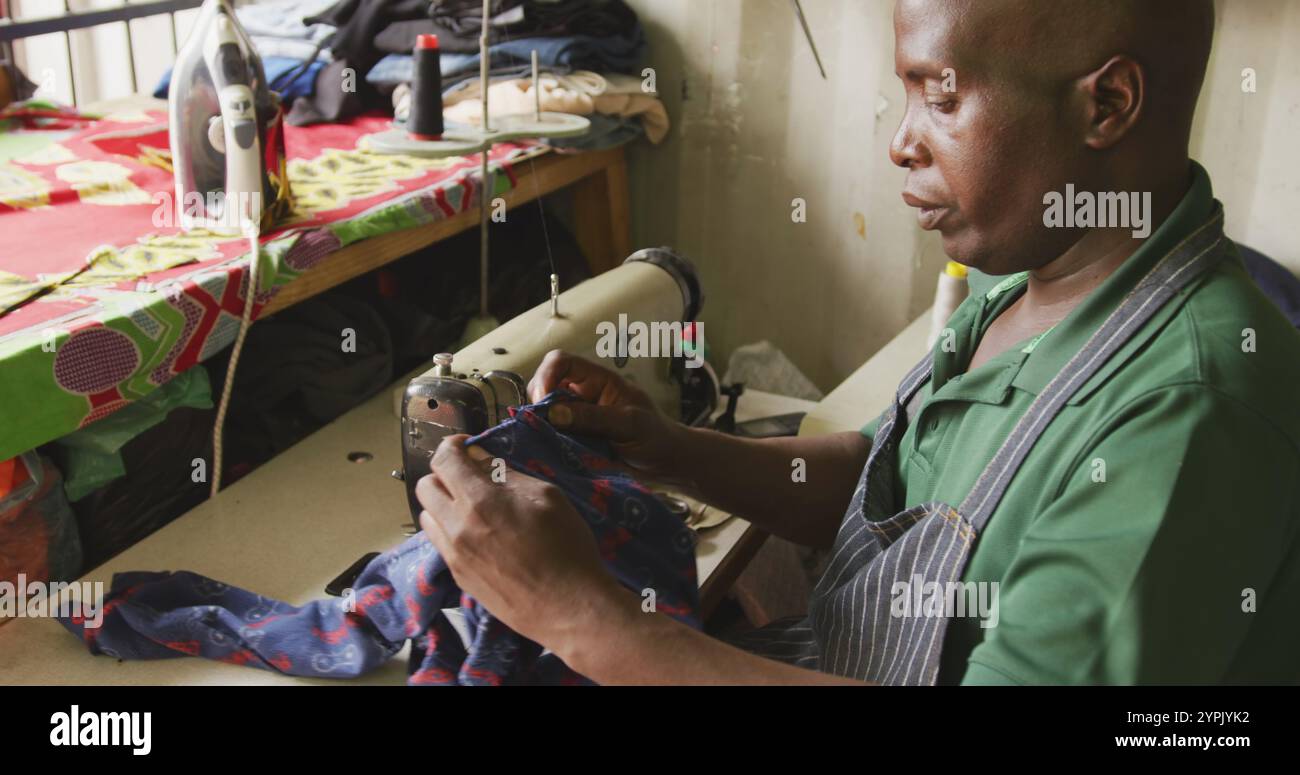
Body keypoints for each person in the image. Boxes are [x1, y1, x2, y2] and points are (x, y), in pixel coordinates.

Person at [414, 0, 1300, 685]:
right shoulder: (1029, 278)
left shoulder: (1189, 408)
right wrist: (671, 449)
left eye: (940, 96)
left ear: (1107, 104)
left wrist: (588, 619)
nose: (900, 143)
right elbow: (885, 480)